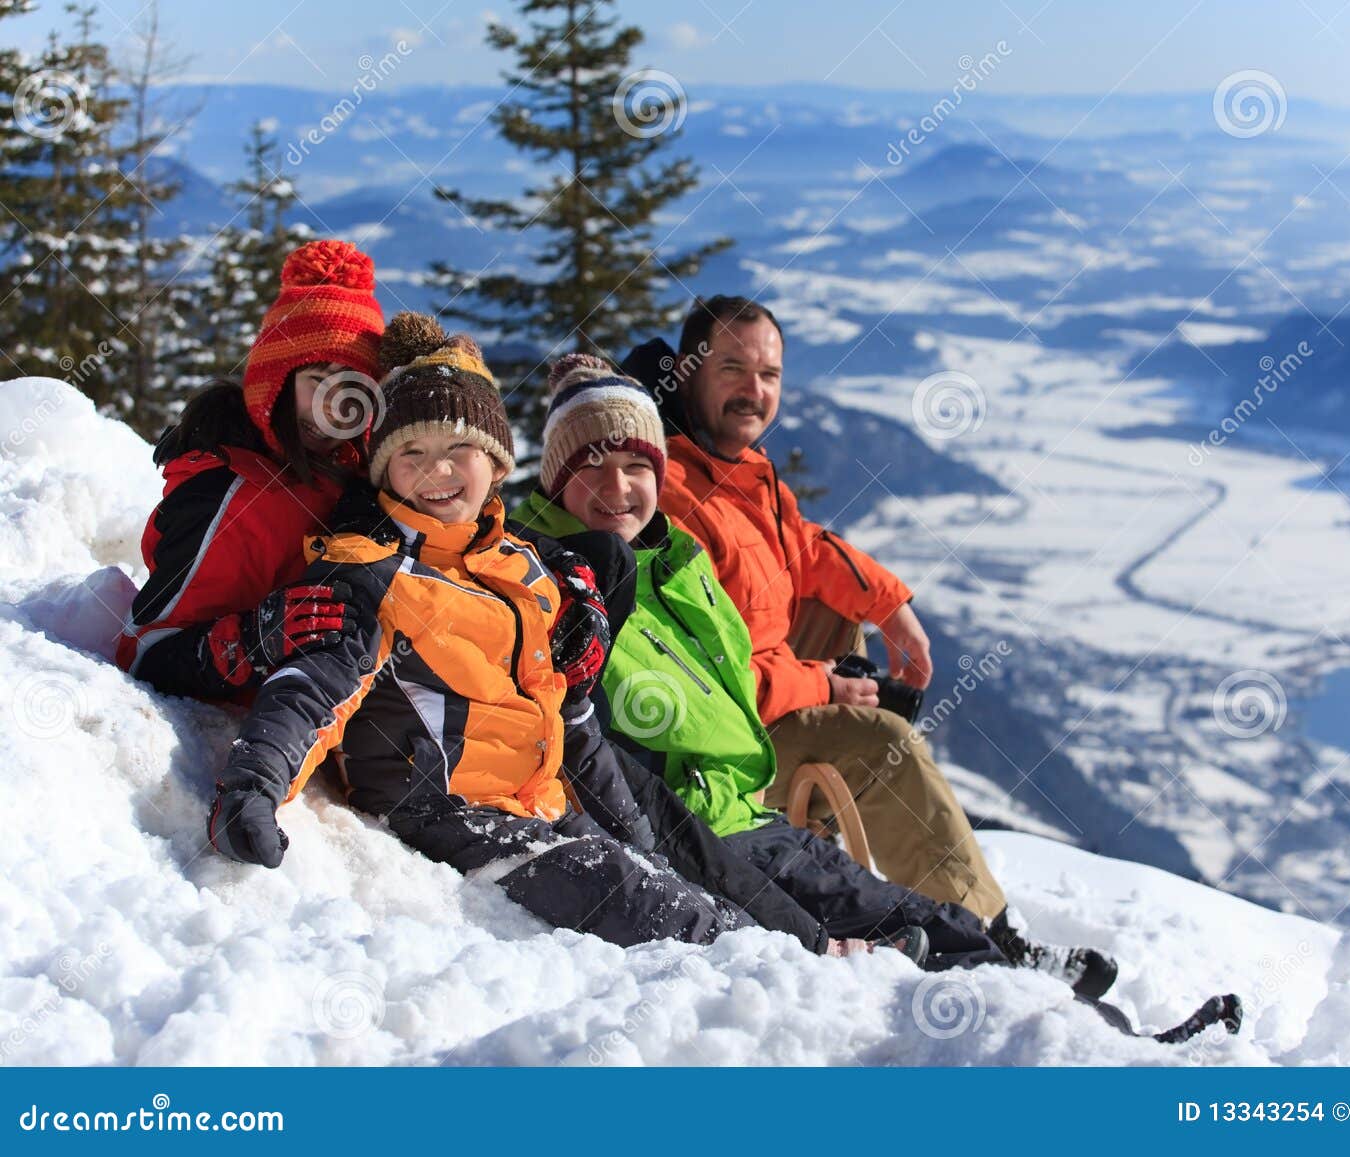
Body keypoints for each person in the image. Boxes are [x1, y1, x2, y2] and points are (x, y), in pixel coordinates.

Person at [512, 354, 1245, 1038]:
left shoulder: (676, 554)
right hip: (708, 833)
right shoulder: (567, 582)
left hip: (744, 807)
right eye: (591, 466)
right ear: (553, 480)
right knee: (913, 943)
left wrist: (885, 604)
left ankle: (1088, 1022)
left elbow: (786, 577)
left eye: (636, 464)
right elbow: (601, 751)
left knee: (925, 920)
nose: (617, 488)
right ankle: (1087, 1042)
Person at [202, 313, 906, 957]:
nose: (437, 471)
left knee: (651, 865)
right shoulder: (372, 576)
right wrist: (254, 788)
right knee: (624, 886)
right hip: (446, 810)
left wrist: (636, 835)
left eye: (459, 448)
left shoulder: (525, 570)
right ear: (384, 468)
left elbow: (575, 727)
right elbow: (309, 691)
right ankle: (769, 963)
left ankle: (783, 951)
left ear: (498, 463)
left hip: (534, 798)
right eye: (410, 452)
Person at [627, 295, 1082, 979]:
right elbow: (710, 682)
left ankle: (827, 825)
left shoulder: (741, 471)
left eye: (770, 374)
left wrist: (892, 604)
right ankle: (989, 940)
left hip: (761, 688)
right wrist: (829, 685)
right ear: (688, 372)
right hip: (720, 745)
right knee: (887, 745)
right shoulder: (676, 497)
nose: (755, 391)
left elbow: (801, 549)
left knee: (839, 615)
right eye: (732, 369)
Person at [117, 239, 384, 702]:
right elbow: (144, 652)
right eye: (317, 382)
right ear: (275, 380)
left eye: (353, 389)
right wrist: (252, 640)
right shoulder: (226, 497)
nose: (332, 411)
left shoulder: (355, 475)